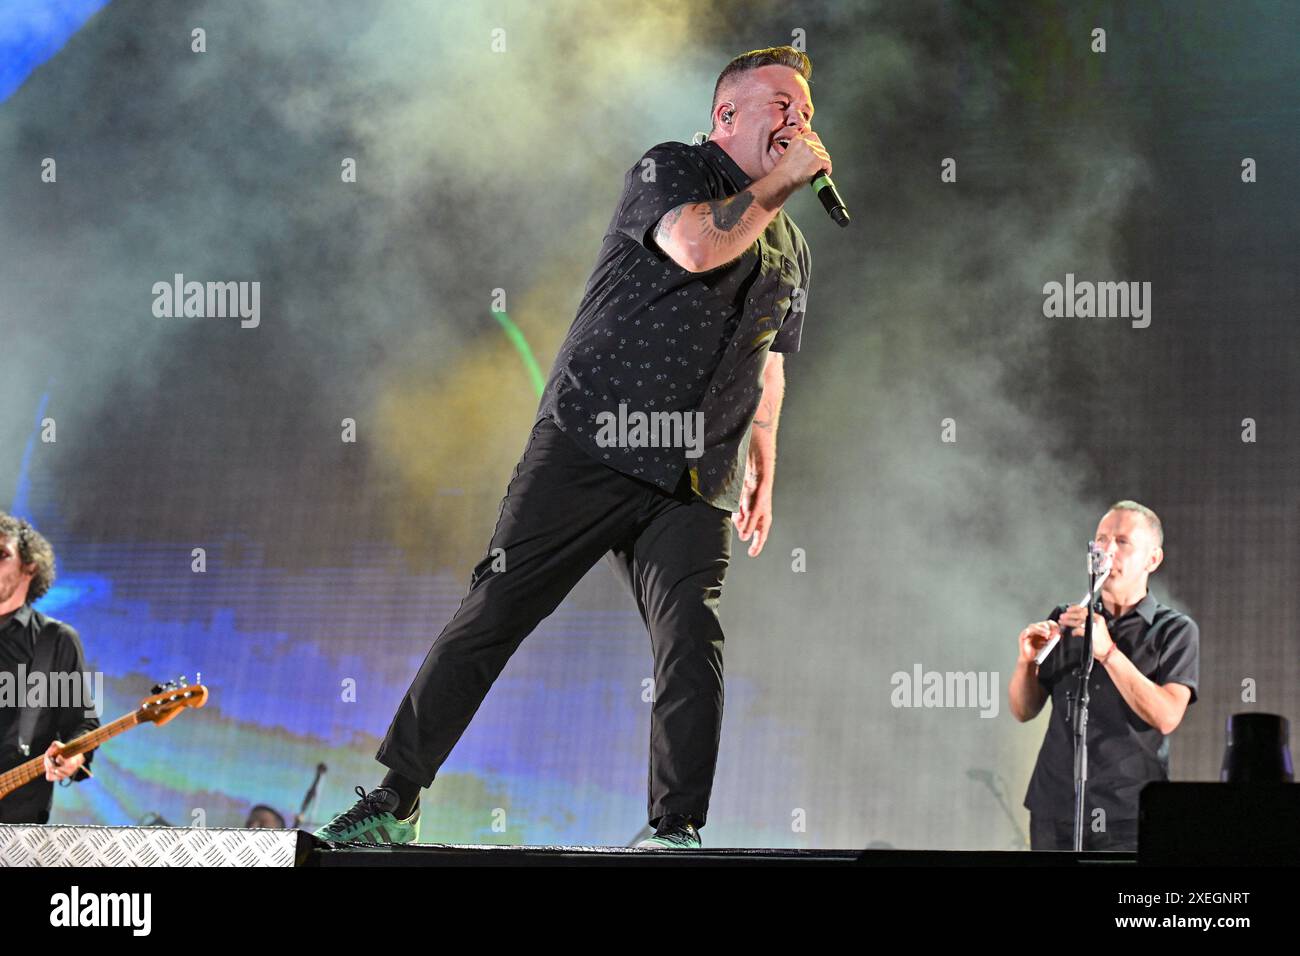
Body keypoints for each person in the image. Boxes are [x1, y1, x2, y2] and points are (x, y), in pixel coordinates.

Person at [315, 45, 828, 849]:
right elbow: (697, 246)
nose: (798, 119)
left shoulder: (793, 244)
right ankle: (395, 797)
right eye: (779, 105)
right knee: (497, 607)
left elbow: (769, 359)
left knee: (693, 636)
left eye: (805, 108)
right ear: (726, 115)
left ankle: (675, 831)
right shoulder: (672, 170)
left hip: (695, 475)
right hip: (593, 438)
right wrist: (781, 184)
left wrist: (765, 450)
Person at [1009, 501, 1200, 850]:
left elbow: (1167, 716)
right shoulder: (1068, 619)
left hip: (1127, 812)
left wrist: (1108, 652)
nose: (1107, 551)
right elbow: (1024, 710)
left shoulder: (1174, 630)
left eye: (1123, 542)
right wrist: (1026, 663)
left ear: (1152, 559)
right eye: (1101, 539)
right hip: (1055, 806)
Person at [0, 513, 99, 824]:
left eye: (1, 555)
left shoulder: (54, 641)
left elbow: (81, 725)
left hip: (16, 824)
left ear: (30, 567)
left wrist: (73, 756)